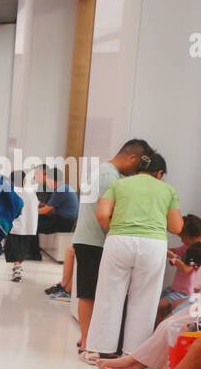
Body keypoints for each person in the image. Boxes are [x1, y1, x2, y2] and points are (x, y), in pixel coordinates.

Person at [48, 141, 151, 353]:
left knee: (91, 291)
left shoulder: (105, 171)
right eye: (137, 166)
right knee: (89, 292)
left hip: (91, 239)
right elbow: (107, 211)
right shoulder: (108, 176)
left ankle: (87, 337)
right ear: (132, 158)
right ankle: (87, 339)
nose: (136, 173)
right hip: (93, 240)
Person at [84, 151, 183, 358]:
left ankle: (99, 350)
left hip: (119, 240)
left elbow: (102, 213)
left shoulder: (119, 184)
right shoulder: (168, 190)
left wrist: (117, 229)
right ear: (159, 173)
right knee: (144, 299)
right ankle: (133, 354)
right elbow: (176, 227)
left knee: (109, 295)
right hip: (153, 244)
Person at [159, 215, 201, 319]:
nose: (182, 239)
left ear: (196, 237)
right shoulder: (186, 247)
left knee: (158, 306)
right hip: (174, 289)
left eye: (183, 237)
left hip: (184, 293)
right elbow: (174, 250)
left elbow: (186, 268)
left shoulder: (199, 252)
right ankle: (158, 327)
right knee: (158, 308)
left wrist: (173, 257)